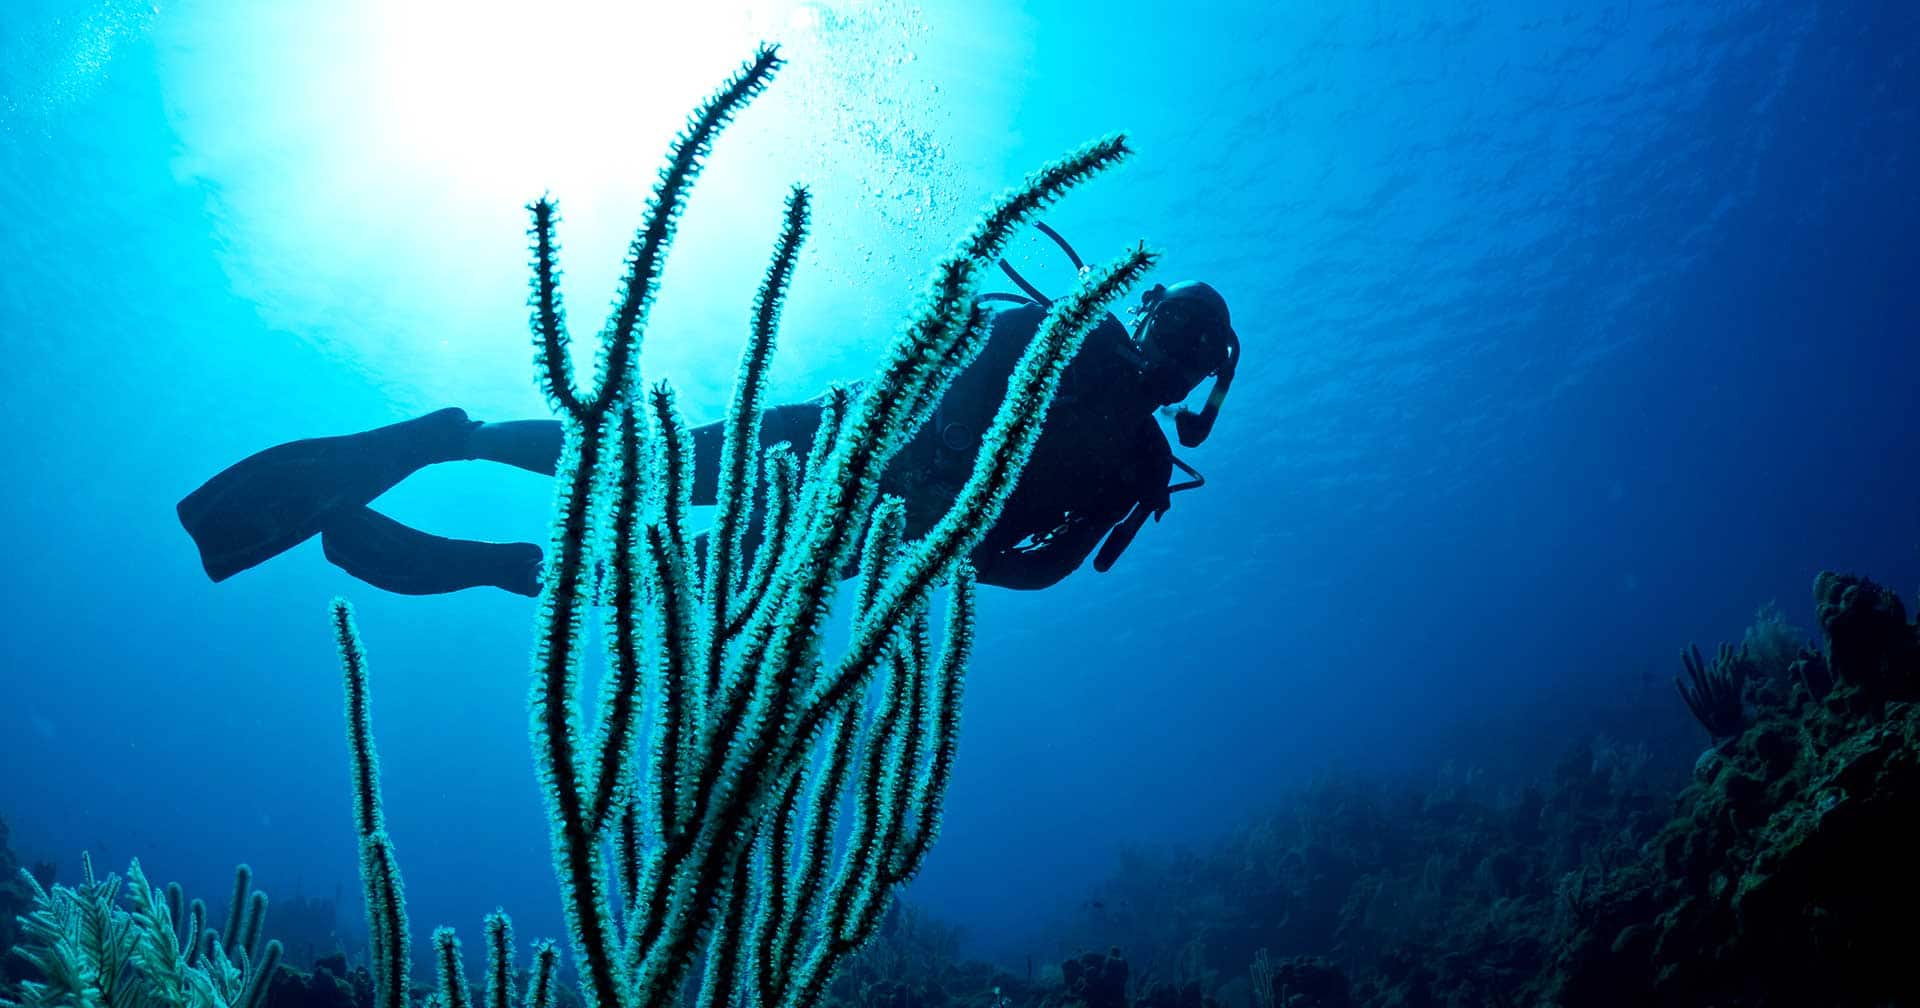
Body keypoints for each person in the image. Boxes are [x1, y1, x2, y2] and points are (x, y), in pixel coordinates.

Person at [177, 269, 1238, 597]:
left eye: (1195, 352)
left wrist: (950, 540)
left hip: (868, 531)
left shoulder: (1143, 465)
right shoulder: (1066, 333)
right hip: (837, 445)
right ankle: (449, 439)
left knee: (661, 586)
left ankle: (492, 563)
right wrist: (932, 481)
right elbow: (962, 369)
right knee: (640, 468)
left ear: (1206, 378)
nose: (1174, 352)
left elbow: (1048, 570)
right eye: (1175, 329)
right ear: (1148, 317)